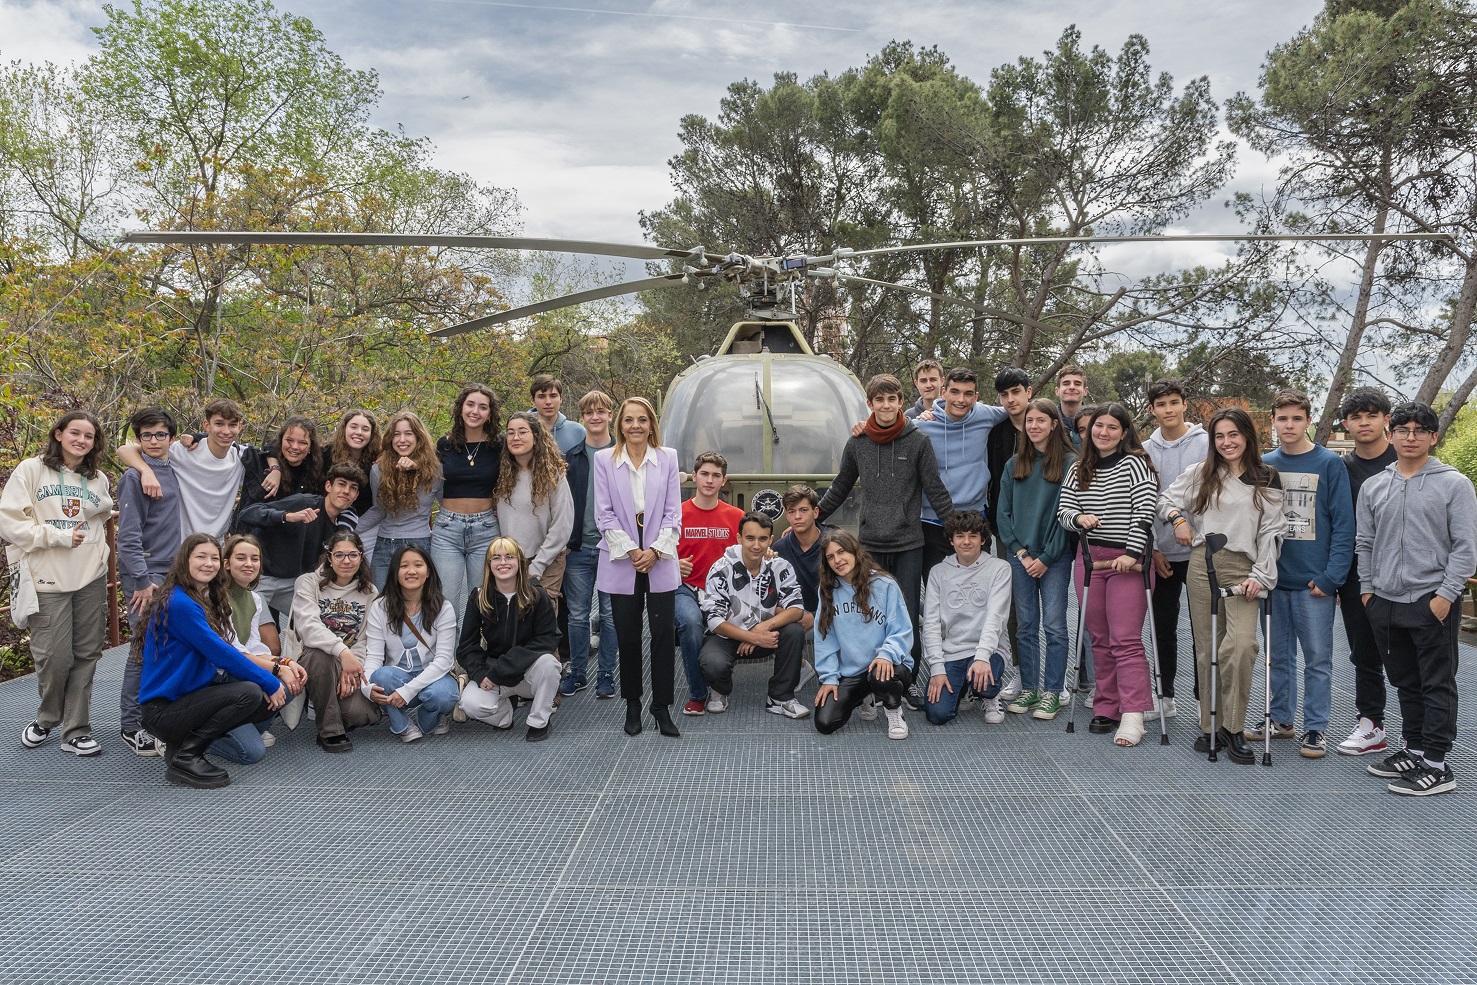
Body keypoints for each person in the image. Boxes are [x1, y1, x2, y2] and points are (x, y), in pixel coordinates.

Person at [1358, 403, 1477, 796]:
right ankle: (1414, 749)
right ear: (1390, 434)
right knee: (1406, 682)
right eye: (1403, 429)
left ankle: (1438, 764)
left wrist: (1445, 596)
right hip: (1385, 602)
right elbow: (1366, 542)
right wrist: (1368, 591)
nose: (1411, 436)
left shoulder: (1454, 484)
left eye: (1420, 430)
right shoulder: (1375, 485)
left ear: (1433, 436)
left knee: (1436, 683)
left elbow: (1465, 548)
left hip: (1431, 601)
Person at [1159, 409, 1284, 764]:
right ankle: (1210, 725)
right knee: (1208, 647)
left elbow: (1272, 533)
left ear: (1247, 436)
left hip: (1247, 569)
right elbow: (1165, 499)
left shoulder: (1266, 477)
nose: (1227, 442)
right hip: (1204, 565)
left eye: (1234, 434)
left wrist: (1259, 576)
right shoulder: (1202, 473)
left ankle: (1234, 726)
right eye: (1219, 436)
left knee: (1242, 646)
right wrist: (1179, 520)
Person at [816, 373, 953, 674]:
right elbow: (841, 486)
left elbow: (935, 488)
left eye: (892, 399)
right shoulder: (857, 443)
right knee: (870, 613)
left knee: (905, 614)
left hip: (908, 544)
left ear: (901, 401)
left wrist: (954, 528)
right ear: (870, 403)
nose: (886, 405)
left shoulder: (918, 441)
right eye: (880, 399)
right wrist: (814, 515)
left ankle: (907, 679)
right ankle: (871, 680)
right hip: (870, 545)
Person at [4, 410, 114, 757]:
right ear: (58, 434)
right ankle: (48, 716)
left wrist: (98, 552)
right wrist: (57, 536)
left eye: (89, 436)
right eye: (75, 433)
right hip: (46, 577)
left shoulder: (98, 479)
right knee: (53, 656)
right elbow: (9, 523)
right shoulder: (31, 470)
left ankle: (76, 729)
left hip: (90, 577)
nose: (82, 441)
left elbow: (100, 515)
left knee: (86, 653)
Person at [135, 534, 286, 787]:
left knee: (256, 692)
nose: (209, 563)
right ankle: (187, 755)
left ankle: (181, 745)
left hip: (186, 695)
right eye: (201, 557)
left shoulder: (199, 596)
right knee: (250, 692)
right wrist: (269, 682)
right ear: (185, 561)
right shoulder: (181, 603)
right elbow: (221, 653)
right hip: (163, 708)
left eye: (214, 558)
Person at [1253, 389, 1354, 759]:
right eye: (1283, 418)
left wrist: (1331, 578)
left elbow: (1344, 525)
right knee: (1276, 656)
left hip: (1314, 583)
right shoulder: (1263, 464)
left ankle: (1315, 728)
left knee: (1318, 659)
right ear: (1274, 421)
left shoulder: (1329, 464)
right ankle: (1280, 719)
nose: (1289, 425)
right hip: (1274, 580)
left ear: (1308, 421)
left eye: (1297, 418)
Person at [1056, 402, 1159, 748]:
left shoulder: (1136, 464)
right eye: (1098, 426)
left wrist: (1131, 554)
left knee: (1125, 638)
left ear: (1124, 432)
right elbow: (1065, 510)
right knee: (1098, 637)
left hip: (1128, 559)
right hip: (1090, 559)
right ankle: (1107, 704)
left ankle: (1133, 713)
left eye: (1112, 427)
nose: (1103, 432)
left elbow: (1145, 508)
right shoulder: (1079, 467)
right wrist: (1078, 519)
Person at [594, 396, 684, 738]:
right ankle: (632, 704)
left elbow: (674, 512)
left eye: (642, 420)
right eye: (629, 420)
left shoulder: (668, 458)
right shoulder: (605, 460)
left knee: (662, 635)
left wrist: (656, 551)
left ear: (651, 424)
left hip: (659, 558)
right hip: (621, 558)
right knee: (628, 636)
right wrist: (633, 550)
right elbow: (603, 513)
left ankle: (661, 707)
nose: (635, 426)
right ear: (620, 424)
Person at [996, 398, 1077, 721]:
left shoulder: (1071, 463)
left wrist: (1045, 556)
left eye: (1041, 420)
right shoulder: (1014, 465)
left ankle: (1053, 692)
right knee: (1026, 625)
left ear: (1054, 424)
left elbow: (1067, 515)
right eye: (1030, 421)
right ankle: (1029, 687)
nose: (1034, 426)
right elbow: (1003, 514)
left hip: (1054, 558)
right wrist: (1020, 551)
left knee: (1055, 626)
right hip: (1021, 557)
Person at [1333, 387, 1398, 756]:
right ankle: (1371, 724)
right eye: (1356, 417)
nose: (1364, 422)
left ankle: (1419, 735)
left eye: (1371, 415)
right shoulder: (1340, 467)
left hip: (1406, 575)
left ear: (1385, 419)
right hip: (1358, 575)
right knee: (1364, 653)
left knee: (1409, 655)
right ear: (1346, 424)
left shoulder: (1405, 458)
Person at [115, 407, 182, 756]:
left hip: (174, 572)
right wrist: (140, 580)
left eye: (160, 434)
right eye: (146, 436)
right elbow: (127, 536)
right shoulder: (134, 477)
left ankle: (157, 716)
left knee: (165, 645)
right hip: (147, 574)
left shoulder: (173, 468)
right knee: (144, 646)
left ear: (171, 437)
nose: (154, 441)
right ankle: (131, 724)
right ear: (138, 439)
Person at [698, 512, 809, 718]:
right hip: (726, 637)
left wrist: (763, 628)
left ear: (770, 540)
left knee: (794, 631)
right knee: (712, 664)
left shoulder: (780, 566)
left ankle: (780, 697)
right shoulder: (721, 569)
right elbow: (714, 621)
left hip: (765, 636)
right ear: (739, 538)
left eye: (762, 539)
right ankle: (719, 690)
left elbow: (796, 609)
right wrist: (752, 636)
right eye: (750, 538)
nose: (756, 545)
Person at [1142, 378, 1209, 720]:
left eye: (1173, 402)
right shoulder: (1145, 449)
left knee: (1203, 628)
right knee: (1162, 627)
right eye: (1161, 404)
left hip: (1200, 552)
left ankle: (1204, 699)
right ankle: (1164, 696)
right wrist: (1153, 548)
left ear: (1184, 404)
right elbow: (1143, 501)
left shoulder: (1207, 444)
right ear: (1152, 410)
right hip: (1162, 553)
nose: (1168, 409)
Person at [812, 530, 915, 739]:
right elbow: (825, 638)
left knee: (881, 675)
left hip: (889, 664)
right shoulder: (828, 590)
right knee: (825, 723)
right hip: (852, 671)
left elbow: (902, 630)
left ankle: (893, 709)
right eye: (830, 557)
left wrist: (886, 654)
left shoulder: (884, 584)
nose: (837, 560)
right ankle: (866, 696)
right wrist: (829, 677)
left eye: (841, 552)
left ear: (854, 551)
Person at [456, 538, 562, 741]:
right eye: (496, 558)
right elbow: (466, 645)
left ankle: (539, 721)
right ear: (489, 564)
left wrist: (503, 668)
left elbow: (548, 639)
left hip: (528, 672)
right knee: (469, 704)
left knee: (550, 664)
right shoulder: (479, 597)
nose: (502, 562)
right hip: (495, 673)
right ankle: (504, 716)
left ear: (520, 562)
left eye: (509, 557)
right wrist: (480, 673)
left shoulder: (537, 595)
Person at [214, 533, 307, 763]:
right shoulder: (216, 598)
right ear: (226, 563)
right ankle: (199, 735)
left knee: (290, 680)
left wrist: (285, 663)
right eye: (241, 558)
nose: (249, 564)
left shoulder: (253, 599)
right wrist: (273, 671)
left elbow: (254, 647)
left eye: (254, 559)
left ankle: (246, 727)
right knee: (251, 753)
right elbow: (233, 651)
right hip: (218, 677)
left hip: (239, 669)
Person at [909, 367, 1007, 576]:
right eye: (955, 392)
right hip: (933, 521)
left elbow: (1019, 409)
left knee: (979, 590)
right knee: (939, 590)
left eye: (968, 393)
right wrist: (863, 426)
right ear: (944, 393)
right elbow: (887, 428)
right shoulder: (921, 426)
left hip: (975, 519)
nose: (961, 399)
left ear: (976, 397)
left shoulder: (985, 415)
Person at [236, 463, 365, 619]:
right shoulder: (304, 503)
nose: (346, 491)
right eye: (341, 484)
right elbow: (248, 513)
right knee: (268, 635)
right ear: (328, 486)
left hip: (294, 584)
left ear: (356, 495)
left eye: (353, 488)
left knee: (321, 622)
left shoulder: (342, 528)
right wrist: (286, 516)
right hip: (262, 579)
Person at [291, 529, 381, 753]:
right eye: (339, 555)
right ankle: (330, 732)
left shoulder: (370, 592)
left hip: (350, 664)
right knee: (320, 657)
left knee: (361, 715)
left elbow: (365, 638)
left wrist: (350, 669)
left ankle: (322, 701)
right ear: (329, 557)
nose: (346, 561)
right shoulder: (308, 582)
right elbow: (309, 627)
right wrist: (343, 653)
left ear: (361, 557)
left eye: (353, 555)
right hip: (312, 658)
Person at [363, 544, 460, 743]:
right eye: (404, 566)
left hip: (433, 676)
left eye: (418, 565)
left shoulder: (444, 607)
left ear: (429, 572)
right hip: (397, 677)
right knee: (381, 676)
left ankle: (430, 720)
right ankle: (402, 725)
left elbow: (444, 661)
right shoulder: (380, 607)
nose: (411, 571)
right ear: (395, 572)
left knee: (445, 695)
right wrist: (367, 687)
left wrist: (407, 691)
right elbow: (373, 656)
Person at [921, 511, 1011, 726]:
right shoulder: (938, 572)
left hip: (988, 650)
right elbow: (931, 624)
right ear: (951, 541)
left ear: (983, 539)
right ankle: (964, 686)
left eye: (973, 535)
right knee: (937, 714)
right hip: (951, 651)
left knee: (984, 684)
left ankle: (988, 695)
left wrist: (982, 657)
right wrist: (937, 669)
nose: (967, 541)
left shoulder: (999, 568)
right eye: (960, 536)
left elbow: (995, 617)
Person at [117, 398, 247, 540]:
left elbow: (271, 451)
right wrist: (146, 471)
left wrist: (276, 469)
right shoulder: (184, 451)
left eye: (232, 425)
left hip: (216, 546)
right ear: (206, 425)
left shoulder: (242, 458)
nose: (226, 431)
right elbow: (124, 450)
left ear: (240, 427)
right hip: (182, 546)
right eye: (219, 424)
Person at [560, 390, 619, 698]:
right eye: (589, 413)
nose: (595, 417)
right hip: (579, 548)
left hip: (615, 549)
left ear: (611, 415)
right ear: (581, 418)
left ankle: (607, 675)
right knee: (578, 615)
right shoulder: (571, 458)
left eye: (601, 411)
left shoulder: (623, 454)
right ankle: (578, 673)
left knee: (610, 616)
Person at [675, 451, 744, 715]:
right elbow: (656, 551)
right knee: (691, 623)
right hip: (685, 587)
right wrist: (672, 565)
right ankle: (697, 693)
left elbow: (751, 550)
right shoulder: (676, 514)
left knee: (724, 628)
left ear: (724, 481)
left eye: (716, 475)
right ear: (694, 477)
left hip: (722, 591)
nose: (709, 480)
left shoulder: (736, 516)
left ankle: (718, 683)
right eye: (704, 473)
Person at [432, 384, 503, 632]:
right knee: (446, 599)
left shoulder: (499, 446)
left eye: (483, 407)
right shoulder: (445, 444)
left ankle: (474, 661)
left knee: (481, 598)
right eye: (470, 405)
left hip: (485, 528)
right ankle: (446, 662)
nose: (475, 411)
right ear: (460, 408)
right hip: (447, 529)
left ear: (490, 413)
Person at [985, 367, 1035, 700]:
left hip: (1049, 528)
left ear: (1029, 391)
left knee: (1056, 613)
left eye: (1016, 391)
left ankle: (1078, 678)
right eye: (1004, 394)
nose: (1010, 399)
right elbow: (994, 485)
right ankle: (1023, 673)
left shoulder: (1048, 424)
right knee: (1018, 606)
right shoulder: (997, 432)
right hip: (1010, 533)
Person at [494, 411, 574, 618]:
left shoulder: (553, 475)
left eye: (522, 432)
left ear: (536, 437)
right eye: (510, 433)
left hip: (547, 560)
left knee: (542, 623)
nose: (515, 438)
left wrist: (537, 566)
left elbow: (562, 525)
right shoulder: (503, 475)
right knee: (512, 621)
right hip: (511, 560)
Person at [357, 410, 442, 590]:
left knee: (418, 603)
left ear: (419, 437)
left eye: (408, 433)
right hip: (385, 544)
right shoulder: (378, 470)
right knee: (380, 602)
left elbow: (446, 504)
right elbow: (378, 510)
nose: (402, 439)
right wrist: (346, 529)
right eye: (397, 434)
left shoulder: (435, 470)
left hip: (420, 544)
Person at [234, 415, 326, 527]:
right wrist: (275, 469)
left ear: (311, 446)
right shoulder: (261, 465)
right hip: (252, 537)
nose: (295, 447)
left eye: (302, 443)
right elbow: (247, 513)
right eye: (289, 440)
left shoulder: (317, 471)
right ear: (280, 440)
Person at [326, 408, 381, 517]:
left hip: (361, 524)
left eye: (365, 429)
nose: (359, 433)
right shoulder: (325, 455)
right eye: (353, 427)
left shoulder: (377, 461)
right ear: (344, 429)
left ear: (371, 434)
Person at [529, 373, 587, 456]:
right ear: (533, 400)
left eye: (553, 396)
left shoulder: (578, 432)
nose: (548, 402)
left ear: (561, 398)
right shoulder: (521, 432)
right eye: (542, 397)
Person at [1055, 365, 1089, 445]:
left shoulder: (1096, 421)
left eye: (1077, 384)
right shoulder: (1048, 420)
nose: (1072, 387)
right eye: (1066, 384)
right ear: (1057, 391)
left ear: (1085, 391)